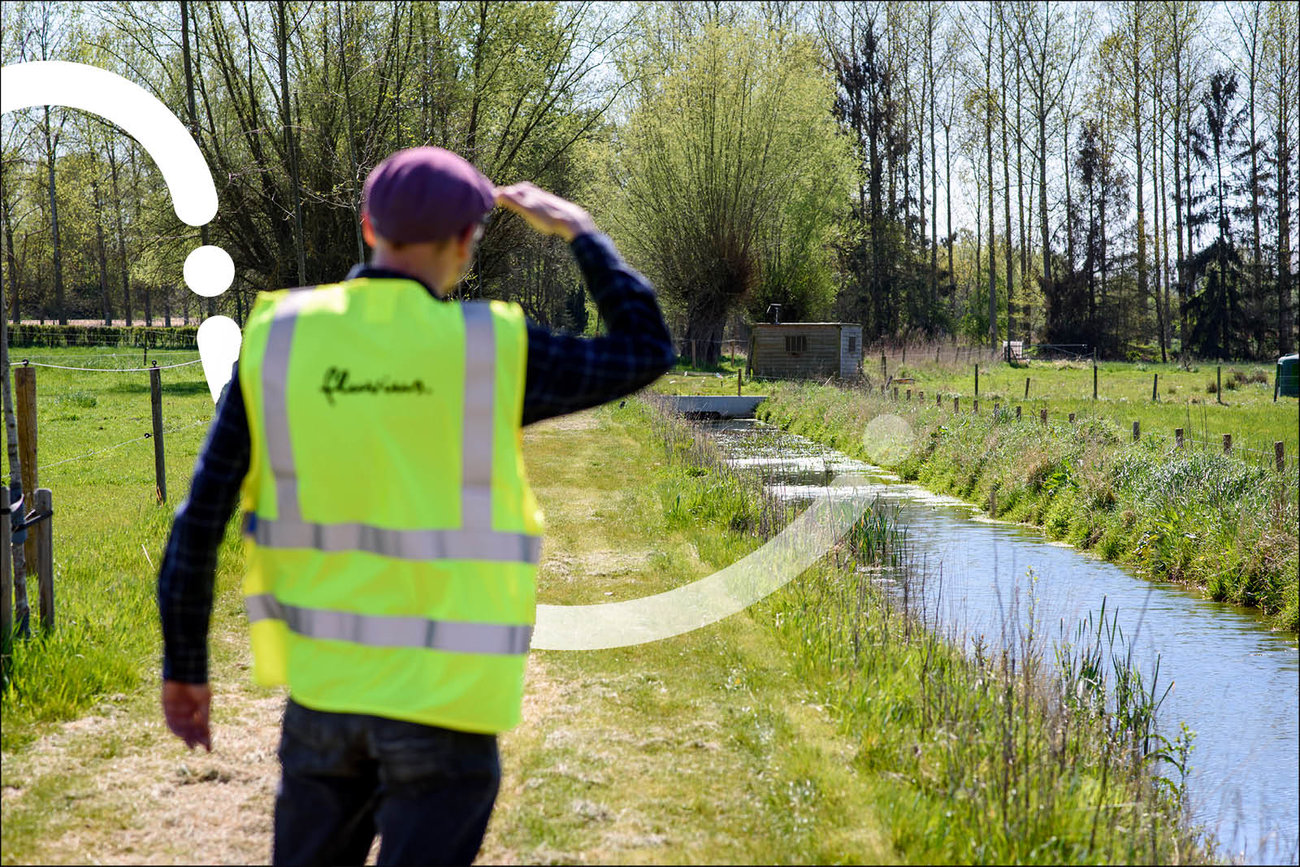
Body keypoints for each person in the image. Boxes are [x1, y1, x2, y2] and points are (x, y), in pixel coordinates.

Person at [156, 146, 675, 866]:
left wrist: (184, 668)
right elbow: (646, 347)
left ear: (369, 227)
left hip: (325, 704)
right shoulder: (488, 351)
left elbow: (200, 519)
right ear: (464, 243)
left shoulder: (280, 341)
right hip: (448, 708)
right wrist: (580, 231)